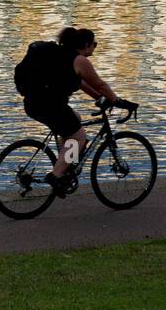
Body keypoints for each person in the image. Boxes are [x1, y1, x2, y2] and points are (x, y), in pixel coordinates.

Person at [14, 27, 124, 195]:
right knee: (78, 137)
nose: (95, 47)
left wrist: (98, 98)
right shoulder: (80, 60)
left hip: (33, 103)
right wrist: (116, 101)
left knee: (75, 119)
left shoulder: (60, 54)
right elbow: (100, 84)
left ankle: (65, 164)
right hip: (51, 106)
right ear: (87, 44)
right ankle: (56, 175)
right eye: (94, 44)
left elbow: (82, 84)